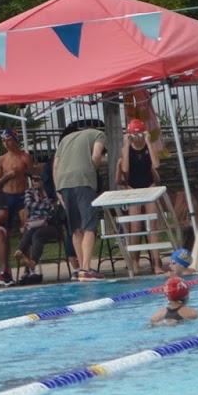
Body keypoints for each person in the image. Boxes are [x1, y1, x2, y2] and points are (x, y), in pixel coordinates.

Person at [54, 120, 107, 280]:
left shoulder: (66, 139)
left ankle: (80, 270)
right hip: (83, 180)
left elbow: (55, 166)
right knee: (89, 225)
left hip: (64, 182)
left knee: (75, 227)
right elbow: (96, 155)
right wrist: (93, 169)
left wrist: (58, 191)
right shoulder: (99, 134)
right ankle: (86, 269)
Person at [116, 117, 162, 273]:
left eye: (140, 136)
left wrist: (149, 142)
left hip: (149, 187)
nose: (138, 139)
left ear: (144, 134)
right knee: (135, 227)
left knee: (152, 226)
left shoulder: (149, 146)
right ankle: (135, 261)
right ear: (129, 136)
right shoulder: (127, 148)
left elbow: (156, 165)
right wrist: (126, 145)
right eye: (134, 136)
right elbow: (125, 169)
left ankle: (156, 264)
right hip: (133, 189)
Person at [0, 127, 32, 274]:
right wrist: (7, 176)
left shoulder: (25, 157)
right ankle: (6, 268)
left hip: (23, 197)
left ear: (15, 140)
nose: (6, 143)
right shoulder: (1, 160)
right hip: (7, 197)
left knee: (25, 231)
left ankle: (27, 266)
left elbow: (33, 176)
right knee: (6, 233)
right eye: (3, 141)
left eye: (8, 140)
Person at [16, 165, 61, 284]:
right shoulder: (29, 192)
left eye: (37, 179)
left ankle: (32, 261)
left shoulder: (52, 192)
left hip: (51, 226)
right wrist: (45, 207)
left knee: (37, 234)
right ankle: (21, 251)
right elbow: (30, 204)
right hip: (35, 224)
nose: (34, 182)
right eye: (33, 180)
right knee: (31, 231)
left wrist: (44, 206)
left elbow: (54, 209)